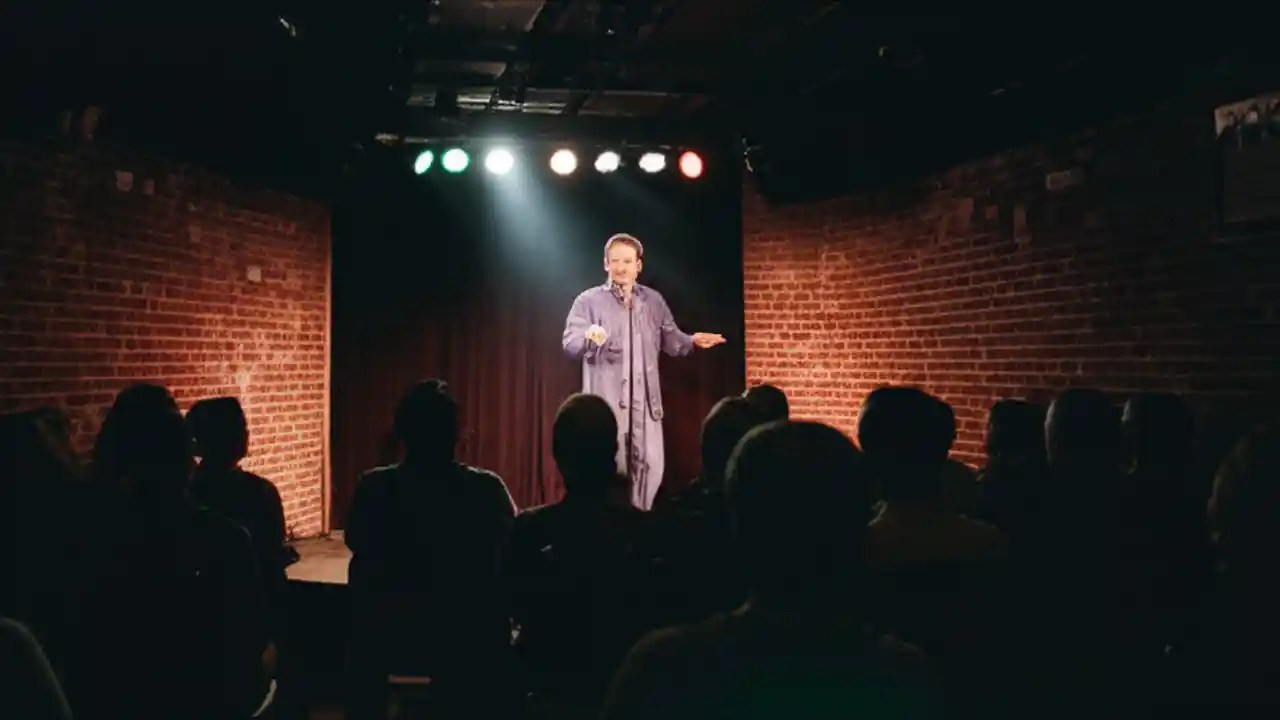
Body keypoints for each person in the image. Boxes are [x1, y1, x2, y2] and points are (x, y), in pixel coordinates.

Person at [562, 233, 726, 510]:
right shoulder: (588, 302)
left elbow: (671, 338)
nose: (621, 268)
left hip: (646, 408)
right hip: (608, 405)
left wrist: (691, 341)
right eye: (615, 261)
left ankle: (640, 519)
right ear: (605, 264)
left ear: (638, 265)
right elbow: (570, 343)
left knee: (649, 465)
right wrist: (589, 337)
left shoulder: (653, 301)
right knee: (611, 468)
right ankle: (609, 522)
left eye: (627, 261)